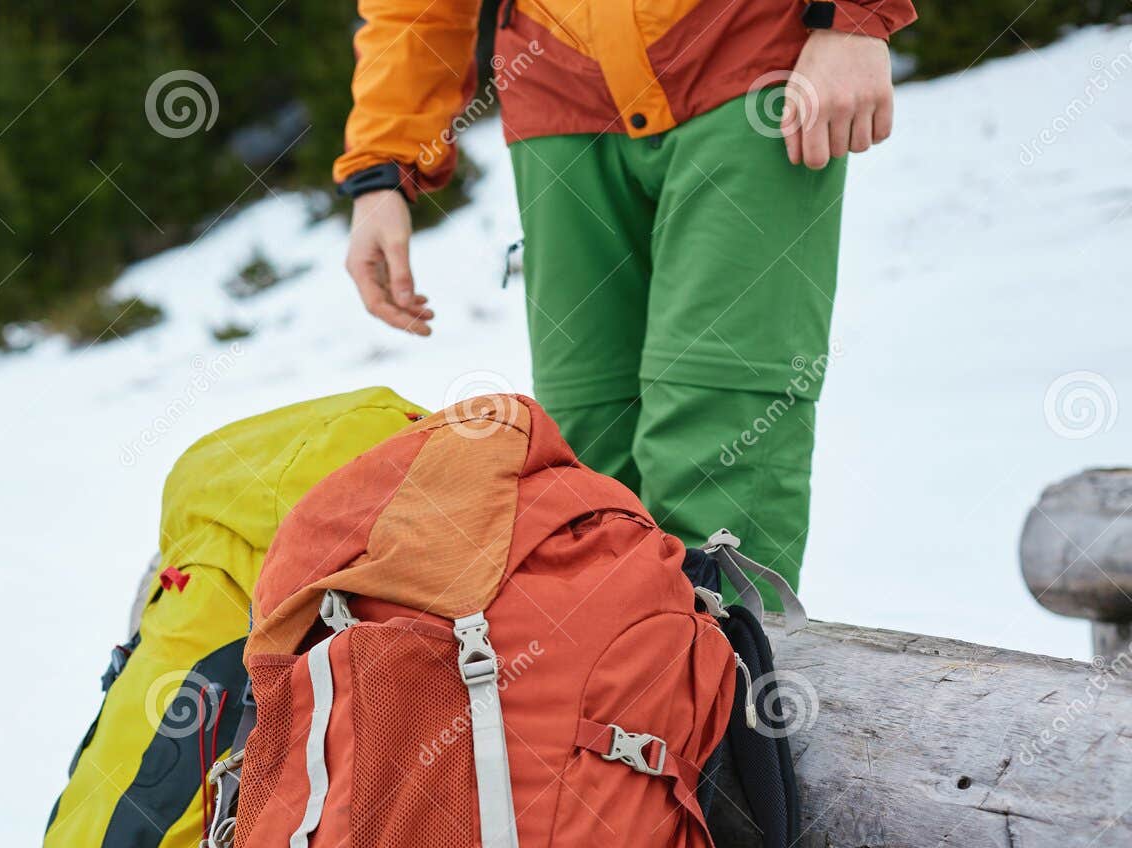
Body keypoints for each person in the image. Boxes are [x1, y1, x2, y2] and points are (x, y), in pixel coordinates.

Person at [337, 0, 916, 592]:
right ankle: (614, 644)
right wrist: (383, 166)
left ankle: (727, 648)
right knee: (585, 452)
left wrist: (856, 20)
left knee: (719, 431)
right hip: (556, 94)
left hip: (744, 56)